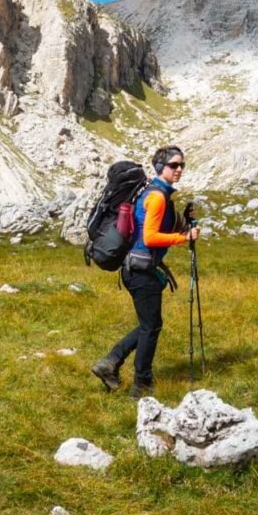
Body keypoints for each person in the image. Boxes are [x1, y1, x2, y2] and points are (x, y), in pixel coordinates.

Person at [90, 146, 199, 398]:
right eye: (174, 165)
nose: (179, 169)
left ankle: (110, 364)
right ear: (160, 167)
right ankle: (141, 384)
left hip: (136, 269)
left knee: (149, 325)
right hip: (140, 271)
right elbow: (150, 237)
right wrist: (184, 237)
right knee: (151, 326)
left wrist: (183, 220)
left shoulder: (154, 193)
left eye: (182, 165)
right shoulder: (157, 197)